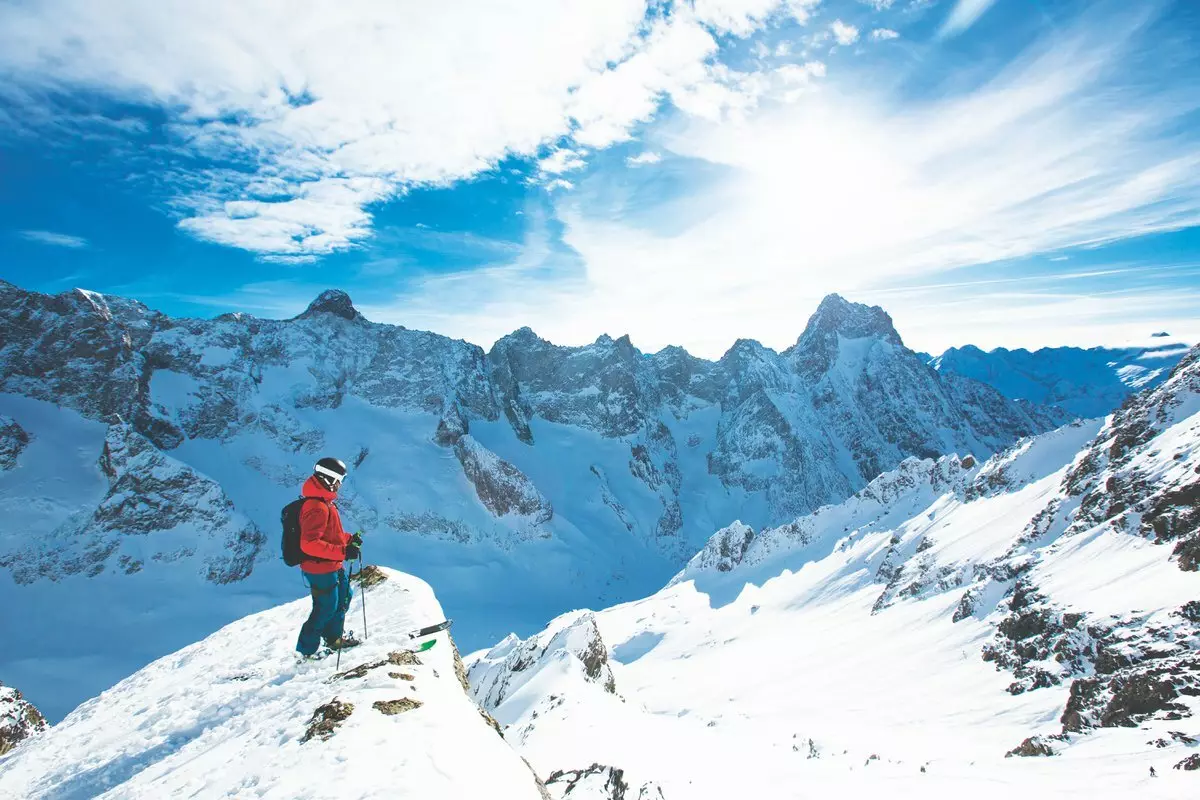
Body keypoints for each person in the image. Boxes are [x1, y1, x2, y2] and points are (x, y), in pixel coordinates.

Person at [295, 457, 363, 659]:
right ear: (329, 479)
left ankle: (333, 638)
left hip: (331, 564)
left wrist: (349, 540)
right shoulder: (316, 507)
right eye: (340, 479)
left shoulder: (325, 503)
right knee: (325, 608)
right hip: (319, 568)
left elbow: (330, 535)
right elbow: (309, 544)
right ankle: (306, 652)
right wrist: (343, 552)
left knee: (344, 597)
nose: (340, 484)